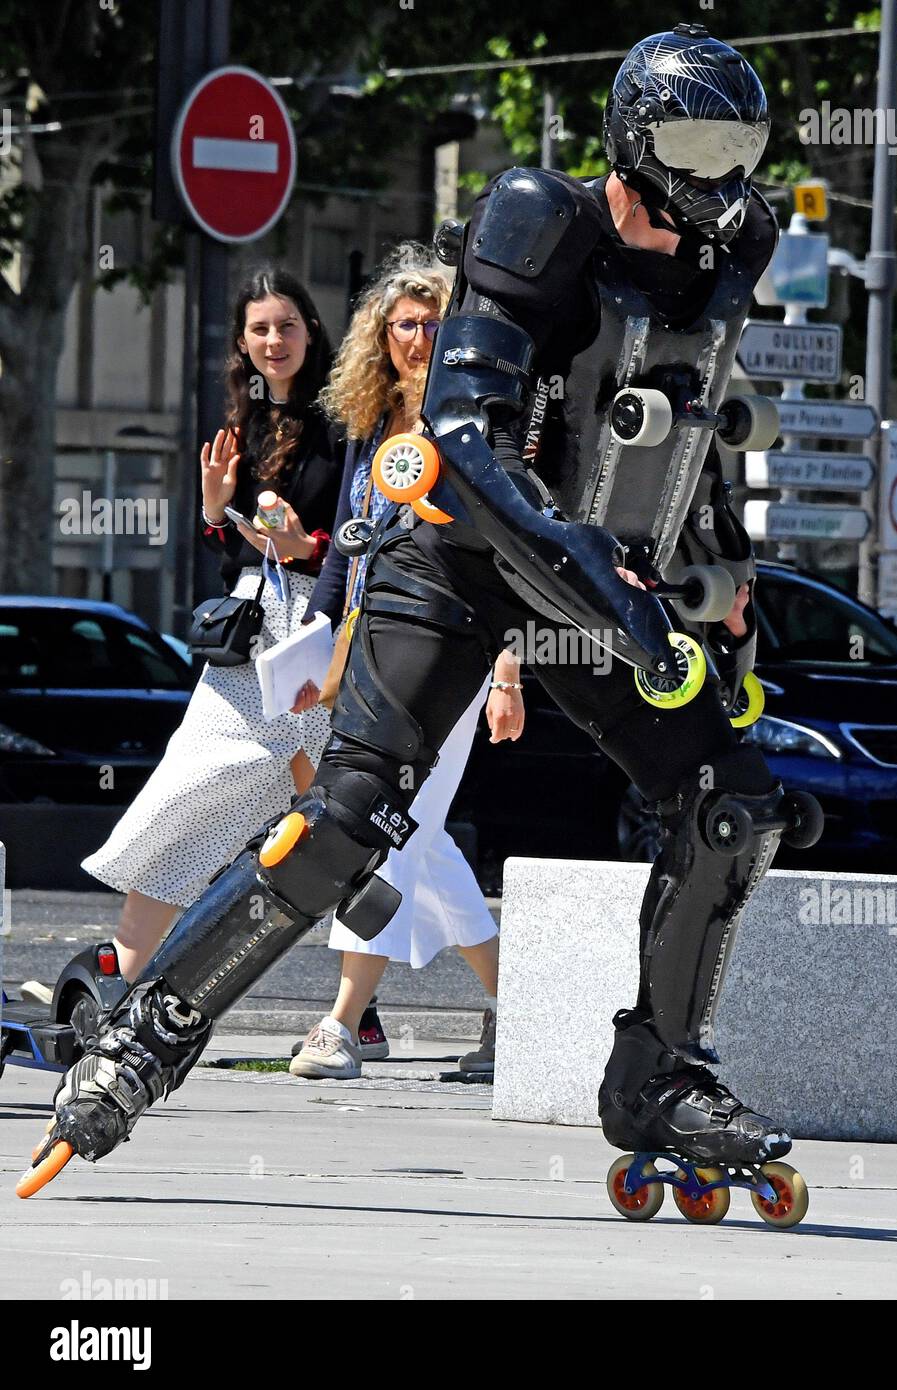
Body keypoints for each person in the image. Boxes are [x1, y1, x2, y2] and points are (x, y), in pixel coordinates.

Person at [28, 25, 823, 1192]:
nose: (722, 172)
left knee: (731, 805)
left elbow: (693, 417)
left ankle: (658, 1073)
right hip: (458, 556)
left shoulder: (737, 241)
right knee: (345, 820)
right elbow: (461, 443)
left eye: (739, 143)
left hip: (601, 574)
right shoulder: (536, 217)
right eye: (698, 142)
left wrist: (722, 575)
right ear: (636, 141)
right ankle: (138, 1043)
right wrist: (622, 601)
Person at [78, 268, 341, 979]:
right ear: (243, 343)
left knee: (334, 820)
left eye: (287, 325)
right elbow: (230, 550)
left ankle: (356, 1007)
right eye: (260, 328)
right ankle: (123, 979)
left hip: (318, 625)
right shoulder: (242, 423)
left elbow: (360, 535)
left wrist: (304, 546)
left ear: (310, 331)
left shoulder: (344, 420)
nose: (274, 340)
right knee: (188, 792)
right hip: (253, 630)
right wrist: (212, 507)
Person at [287, 246, 509, 1080]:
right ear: (379, 337)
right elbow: (348, 551)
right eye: (402, 324)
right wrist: (314, 640)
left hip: (453, 648)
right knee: (419, 833)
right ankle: (528, 1010)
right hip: (369, 645)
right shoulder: (372, 423)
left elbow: (505, 555)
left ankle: (341, 1024)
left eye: (431, 324)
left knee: (381, 820)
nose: (416, 338)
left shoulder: (476, 422)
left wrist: (512, 675)